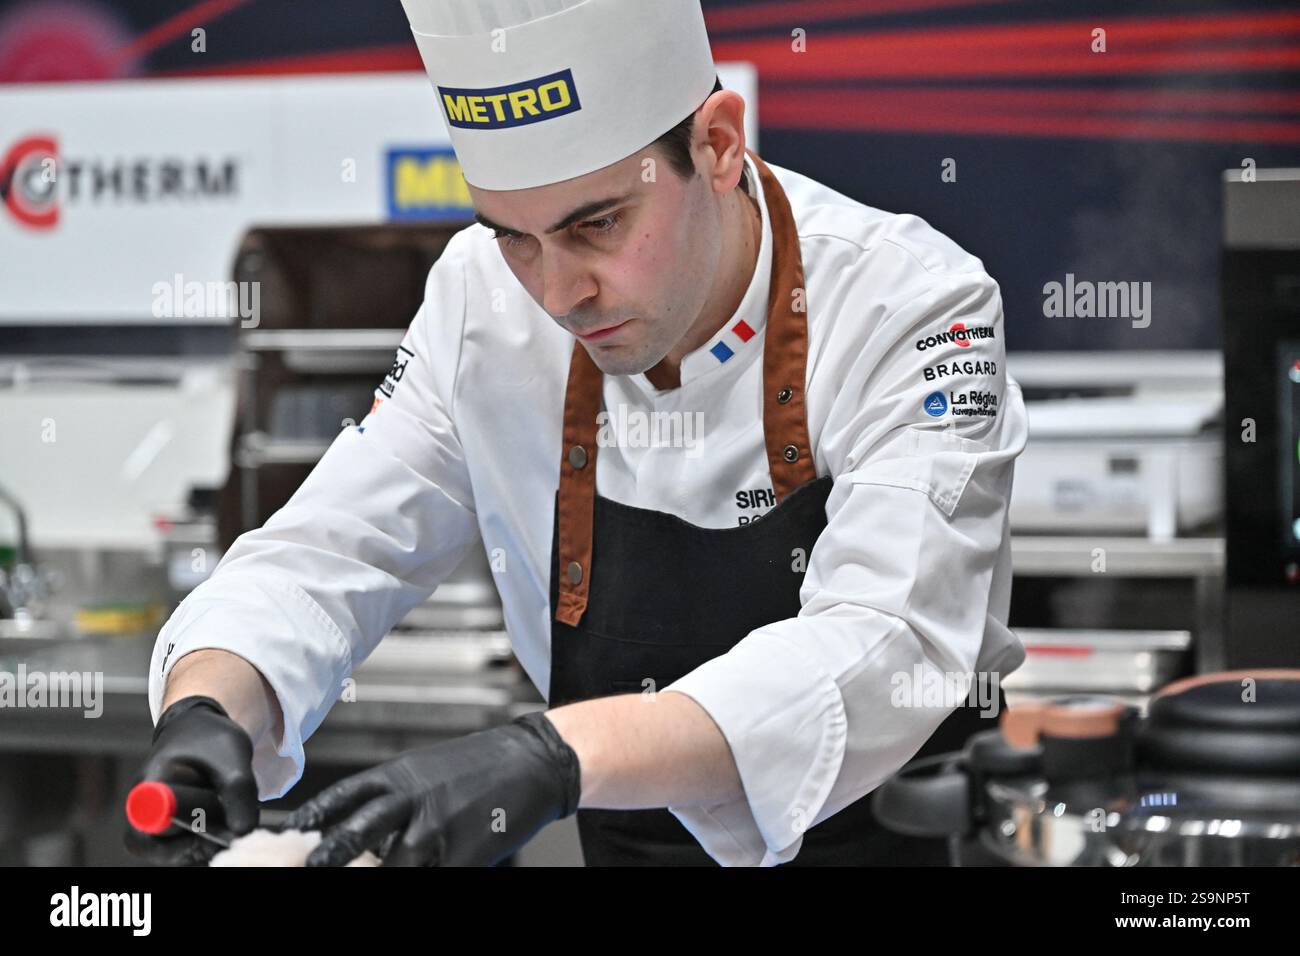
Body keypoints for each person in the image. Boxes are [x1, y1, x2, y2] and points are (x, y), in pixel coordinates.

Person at [131, 0, 1028, 867]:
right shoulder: (481, 300)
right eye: (514, 237)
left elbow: (885, 641)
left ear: (716, 145)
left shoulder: (909, 306)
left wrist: (555, 755)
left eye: (596, 225)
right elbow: (329, 552)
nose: (559, 294)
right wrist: (210, 704)